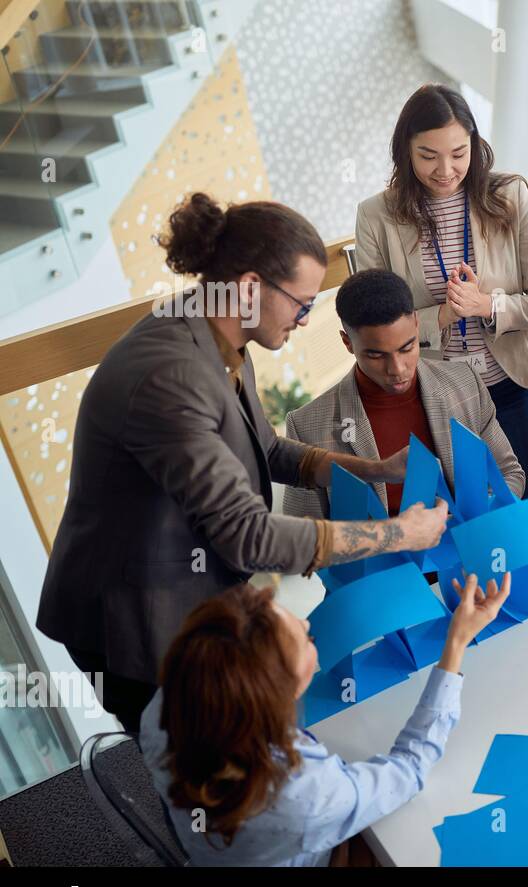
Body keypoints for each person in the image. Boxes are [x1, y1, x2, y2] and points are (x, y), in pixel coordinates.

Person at [36, 194, 448, 733]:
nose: (305, 321)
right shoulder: (171, 379)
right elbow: (249, 538)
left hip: (189, 586)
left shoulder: (219, 335)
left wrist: (372, 469)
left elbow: (266, 449)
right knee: (203, 773)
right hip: (131, 620)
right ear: (252, 288)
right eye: (302, 305)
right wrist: (397, 534)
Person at [139, 571, 510, 865]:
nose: (306, 626)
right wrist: (456, 644)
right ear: (277, 698)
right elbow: (409, 771)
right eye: (308, 641)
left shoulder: (163, 708)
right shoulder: (304, 796)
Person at [356, 83, 528, 499]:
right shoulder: (376, 216)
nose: (445, 169)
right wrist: (440, 317)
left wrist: (487, 305)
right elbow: (372, 323)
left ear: (475, 144)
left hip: (510, 390)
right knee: (460, 526)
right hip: (435, 400)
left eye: (459, 153)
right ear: (405, 152)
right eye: (428, 156)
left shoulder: (509, 197)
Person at [283, 268, 524, 519]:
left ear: (417, 325)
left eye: (407, 347)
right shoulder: (307, 427)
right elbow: (305, 534)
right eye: (376, 355)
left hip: (472, 546)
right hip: (378, 556)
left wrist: (479, 516)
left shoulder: (463, 383)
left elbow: (509, 472)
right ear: (348, 343)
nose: (397, 369)